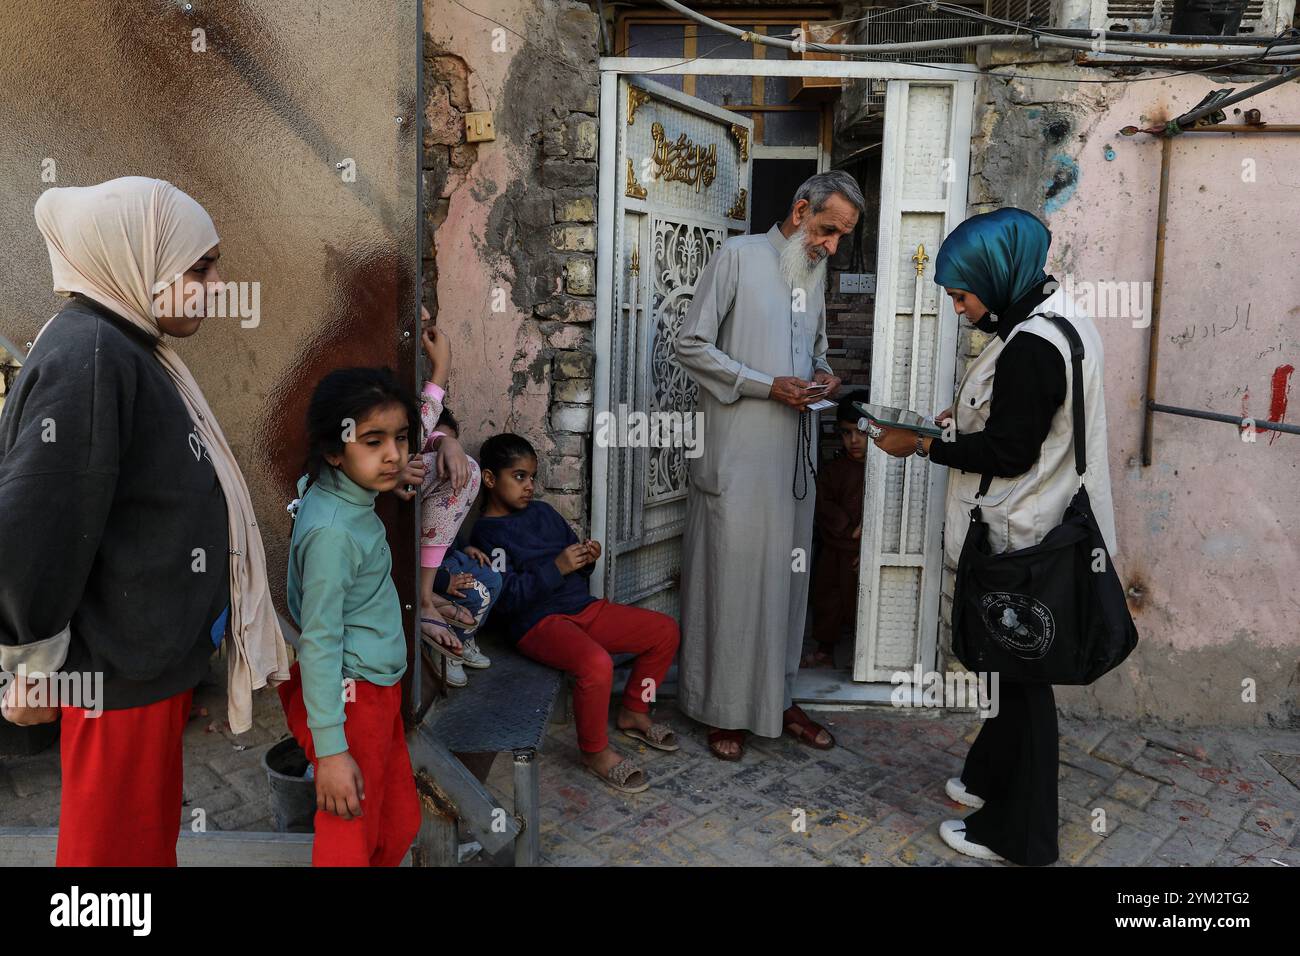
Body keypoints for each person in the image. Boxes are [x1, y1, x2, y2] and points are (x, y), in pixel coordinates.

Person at [0, 176, 288, 866]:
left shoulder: (125, 347)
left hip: (141, 671)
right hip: (112, 678)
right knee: (112, 867)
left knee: (138, 853)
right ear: (136, 261)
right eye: (199, 268)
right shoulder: (91, 357)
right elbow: (39, 520)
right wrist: (29, 661)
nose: (215, 287)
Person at [870, 207, 1117, 866]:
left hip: (1025, 534)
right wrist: (967, 420)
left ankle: (1020, 839)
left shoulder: (1033, 343)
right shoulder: (1053, 318)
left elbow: (1009, 451)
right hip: (1044, 520)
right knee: (1008, 673)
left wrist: (920, 443)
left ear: (995, 276)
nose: (957, 309)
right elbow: (1023, 419)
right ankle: (986, 778)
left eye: (960, 295)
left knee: (1022, 682)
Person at [675, 170, 862, 760]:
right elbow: (689, 344)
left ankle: (778, 699)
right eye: (828, 231)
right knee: (731, 581)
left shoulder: (816, 270)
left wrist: (825, 375)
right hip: (735, 453)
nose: (831, 246)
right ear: (802, 209)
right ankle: (722, 709)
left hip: (793, 458)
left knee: (786, 581)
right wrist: (763, 385)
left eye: (840, 238)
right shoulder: (738, 256)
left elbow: (816, 348)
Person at [469, 434, 680, 794]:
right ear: (490, 479)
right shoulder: (487, 536)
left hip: (582, 609)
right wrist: (557, 567)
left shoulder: (544, 514)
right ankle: (595, 752)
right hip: (536, 624)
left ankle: (634, 709)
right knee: (596, 664)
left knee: (664, 631)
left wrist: (584, 558)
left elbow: (573, 565)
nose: (529, 486)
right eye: (519, 477)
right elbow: (506, 602)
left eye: (532, 477)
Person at [280, 366, 423, 866]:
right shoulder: (334, 535)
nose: (393, 455)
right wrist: (333, 753)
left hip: (377, 692)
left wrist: (389, 477)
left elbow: (331, 480)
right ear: (334, 452)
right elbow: (317, 641)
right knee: (350, 841)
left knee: (398, 822)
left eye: (400, 439)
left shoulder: (331, 492)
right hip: (352, 698)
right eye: (373, 442)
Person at [806, 389, 871, 668]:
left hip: (866, 551)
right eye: (846, 433)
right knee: (827, 596)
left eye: (861, 432)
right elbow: (823, 505)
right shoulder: (835, 471)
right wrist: (847, 529)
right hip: (837, 549)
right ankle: (825, 649)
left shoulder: (884, 468)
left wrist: (869, 539)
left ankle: (865, 654)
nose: (853, 441)